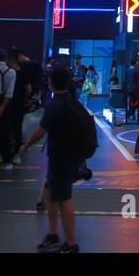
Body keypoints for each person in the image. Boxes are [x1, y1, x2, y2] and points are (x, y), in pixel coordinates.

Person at [19, 65, 85, 253]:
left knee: (64, 199)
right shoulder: (71, 100)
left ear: (51, 82)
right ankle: (53, 233)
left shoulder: (55, 104)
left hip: (61, 158)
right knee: (48, 193)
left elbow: (41, 131)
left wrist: (25, 146)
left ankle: (71, 243)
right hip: (68, 156)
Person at [7, 49, 31, 164]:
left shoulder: (21, 73)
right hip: (14, 104)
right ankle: (10, 152)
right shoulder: (10, 73)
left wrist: (23, 100)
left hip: (16, 104)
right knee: (12, 129)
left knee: (16, 129)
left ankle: (17, 153)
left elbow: (28, 89)